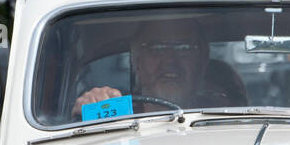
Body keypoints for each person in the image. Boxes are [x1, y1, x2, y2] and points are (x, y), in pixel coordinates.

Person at [72, 18, 246, 117]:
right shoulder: (119, 113)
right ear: (137, 63)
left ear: (202, 62)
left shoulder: (224, 115)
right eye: (157, 49)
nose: (170, 60)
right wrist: (89, 108)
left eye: (184, 49)